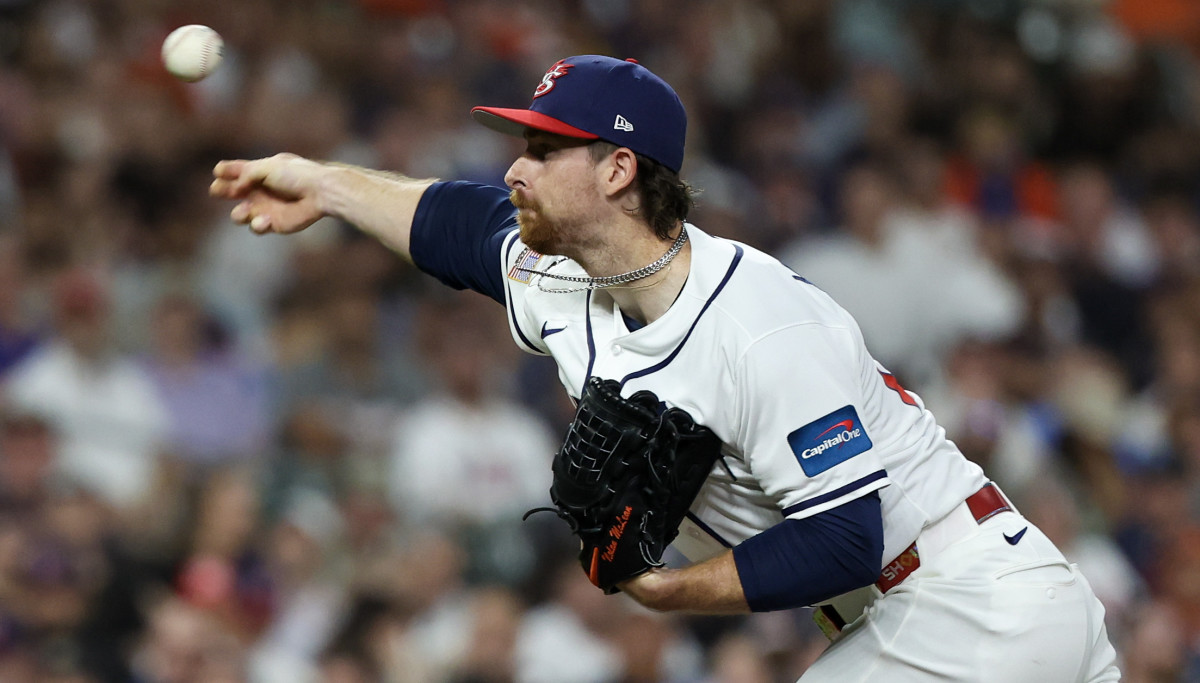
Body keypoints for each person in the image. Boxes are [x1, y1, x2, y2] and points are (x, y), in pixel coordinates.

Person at [210, 55, 1120, 681]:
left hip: (961, 597)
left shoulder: (758, 322)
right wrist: (323, 185)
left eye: (542, 148)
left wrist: (663, 589)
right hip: (939, 615)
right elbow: (451, 224)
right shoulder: (562, 281)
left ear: (616, 170)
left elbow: (849, 538)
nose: (516, 169)